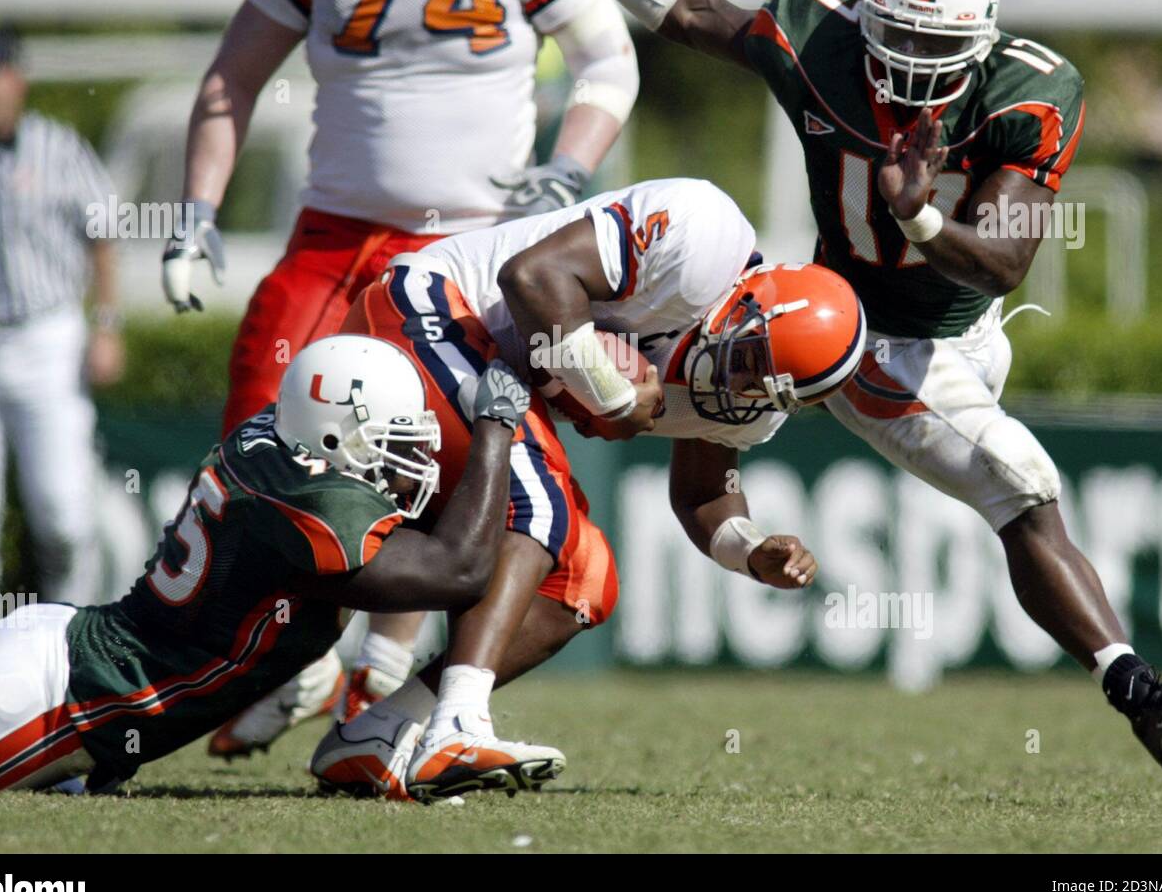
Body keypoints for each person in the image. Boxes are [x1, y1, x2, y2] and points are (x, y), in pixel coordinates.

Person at [478, 0, 1162, 780]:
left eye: (932, 40)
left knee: (761, 445)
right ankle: (1139, 691)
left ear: (980, 45)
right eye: (896, 29)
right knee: (1021, 481)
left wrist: (921, 220)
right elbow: (700, 14)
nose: (907, 56)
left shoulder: (1032, 95)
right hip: (856, 333)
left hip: (965, 325)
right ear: (870, 14)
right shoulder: (821, 36)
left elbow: (1005, 259)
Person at [165, 0, 639, 748]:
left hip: (463, 248)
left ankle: (379, 679)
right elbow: (233, 76)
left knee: (435, 465)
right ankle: (291, 656)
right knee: (257, 439)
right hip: (334, 238)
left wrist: (567, 169)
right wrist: (194, 211)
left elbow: (608, 60)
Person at [310, 176, 865, 801]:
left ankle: (382, 729)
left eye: (762, 386)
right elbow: (531, 277)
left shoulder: (749, 400)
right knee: (538, 505)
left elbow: (704, 495)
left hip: (487, 381)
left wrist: (751, 547)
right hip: (433, 308)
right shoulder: (702, 232)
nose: (738, 385)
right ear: (754, 298)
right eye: (749, 360)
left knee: (584, 581)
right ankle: (458, 726)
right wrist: (612, 393)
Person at [0, 336, 533, 791]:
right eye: (393, 442)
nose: (411, 462)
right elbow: (461, 570)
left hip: (64, 664)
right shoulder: (312, 501)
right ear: (334, 438)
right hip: (52, 696)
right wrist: (496, 427)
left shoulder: (278, 442)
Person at [0, 26, 125, 644]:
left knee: (62, 512)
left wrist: (107, 325)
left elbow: (103, 236)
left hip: (46, 337)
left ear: (19, 79)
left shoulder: (57, 147)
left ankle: (66, 639)